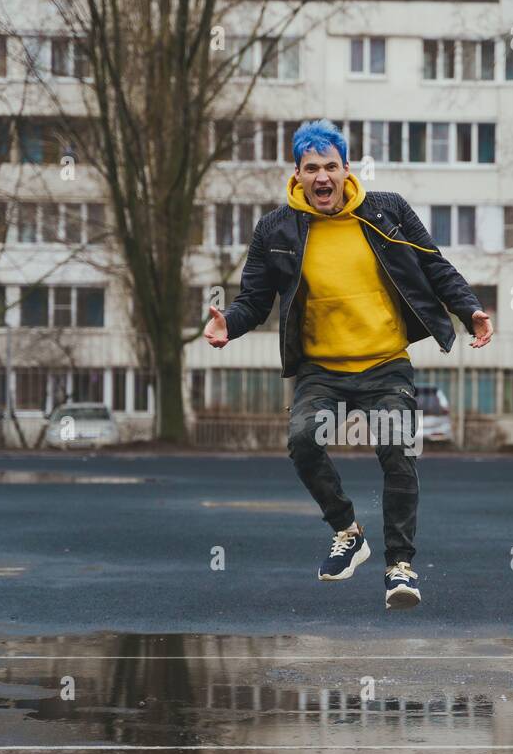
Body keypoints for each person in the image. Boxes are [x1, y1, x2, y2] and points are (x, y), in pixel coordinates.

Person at [205, 119, 492, 608]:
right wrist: (229, 323)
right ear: (296, 175)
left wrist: (469, 311)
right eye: (311, 168)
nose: (322, 177)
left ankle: (400, 567)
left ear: (346, 170)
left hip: (385, 362)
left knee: (399, 448)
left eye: (331, 167)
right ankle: (347, 531)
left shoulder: (388, 211)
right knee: (301, 440)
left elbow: (435, 265)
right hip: (322, 369)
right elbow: (254, 298)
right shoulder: (275, 230)